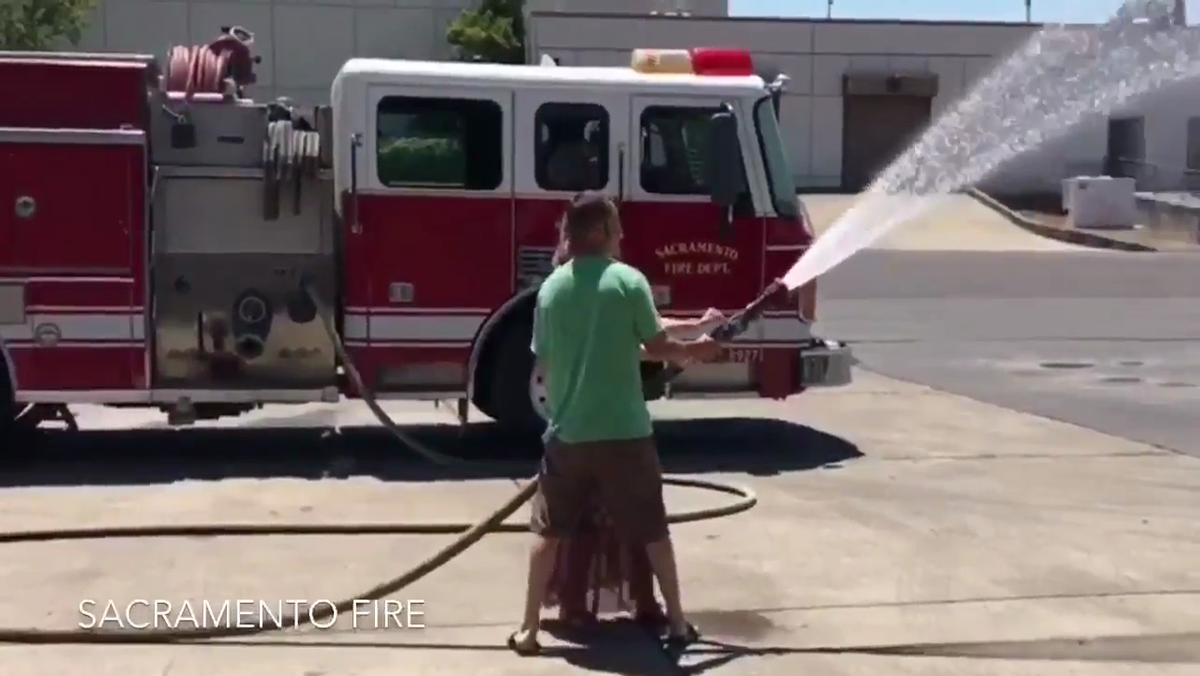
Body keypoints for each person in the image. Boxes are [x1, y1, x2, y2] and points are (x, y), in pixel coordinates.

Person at [508, 192, 723, 656]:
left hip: (567, 437)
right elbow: (654, 343)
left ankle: (527, 630)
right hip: (626, 434)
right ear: (600, 231)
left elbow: (549, 360)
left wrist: (692, 328)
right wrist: (695, 350)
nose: (623, 234)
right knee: (653, 530)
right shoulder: (628, 281)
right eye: (617, 225)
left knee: (547, 533)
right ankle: (679, 623)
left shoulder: (550, 290)